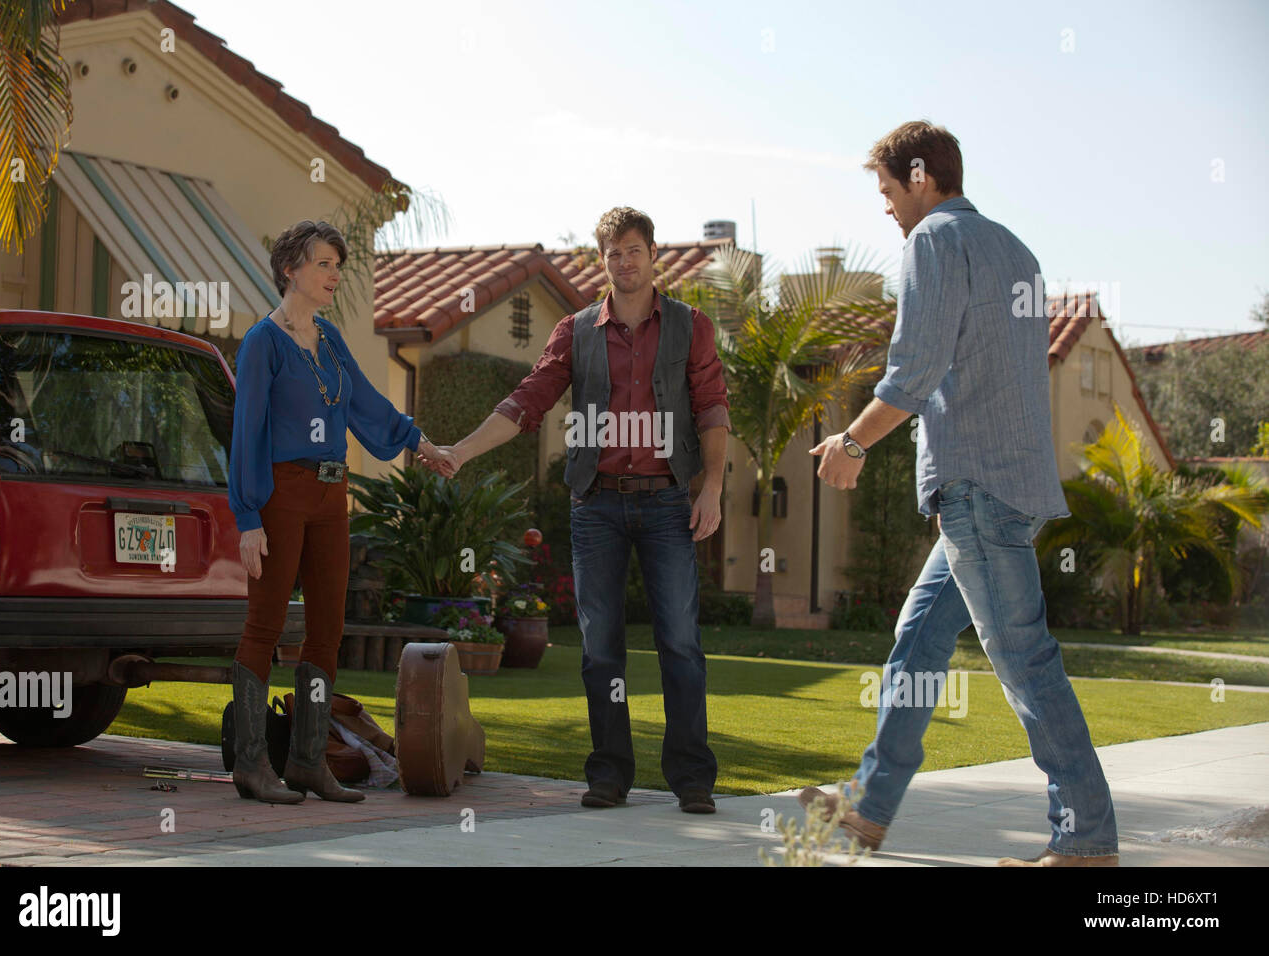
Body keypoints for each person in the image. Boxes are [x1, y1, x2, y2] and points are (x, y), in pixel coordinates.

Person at [799, 122, 1119, 866]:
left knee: (1025, 661)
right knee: (917, 644)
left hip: (974, 488)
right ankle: (867, 811)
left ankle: (1087, 837)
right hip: (1011, 484)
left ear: (919, 176)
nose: (885, 208)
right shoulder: (1018, 251)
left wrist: (851, 442)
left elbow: (916, 368)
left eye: (886, 191)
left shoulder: (934, 243)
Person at [438, 207, 730, 813]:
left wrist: (712, 487)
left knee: (680, 641)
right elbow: (529, 400)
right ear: (603, 261)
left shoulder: (689, 327)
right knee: (601, 647)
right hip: (594, 505)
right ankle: (609, 774)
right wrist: (460, 451)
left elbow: (712, 411)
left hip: (668, 501)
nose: (623, 262)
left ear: (653, 256)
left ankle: (692, 778)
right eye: (612, 253)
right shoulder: (574, 331)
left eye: (633, 250)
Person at [227, 219, 454, 804]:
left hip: (333, 495)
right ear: (290, 270)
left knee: (328, 630)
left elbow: (368, 405)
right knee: (265, 626)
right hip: (280, 493)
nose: (333, 275)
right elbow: (246, 432)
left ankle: (307, 761)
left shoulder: (328, 340)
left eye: (336, 265)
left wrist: (419, 443)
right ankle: (252, 766)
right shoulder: (262, 342)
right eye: (323, 264)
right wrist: (247, 518)